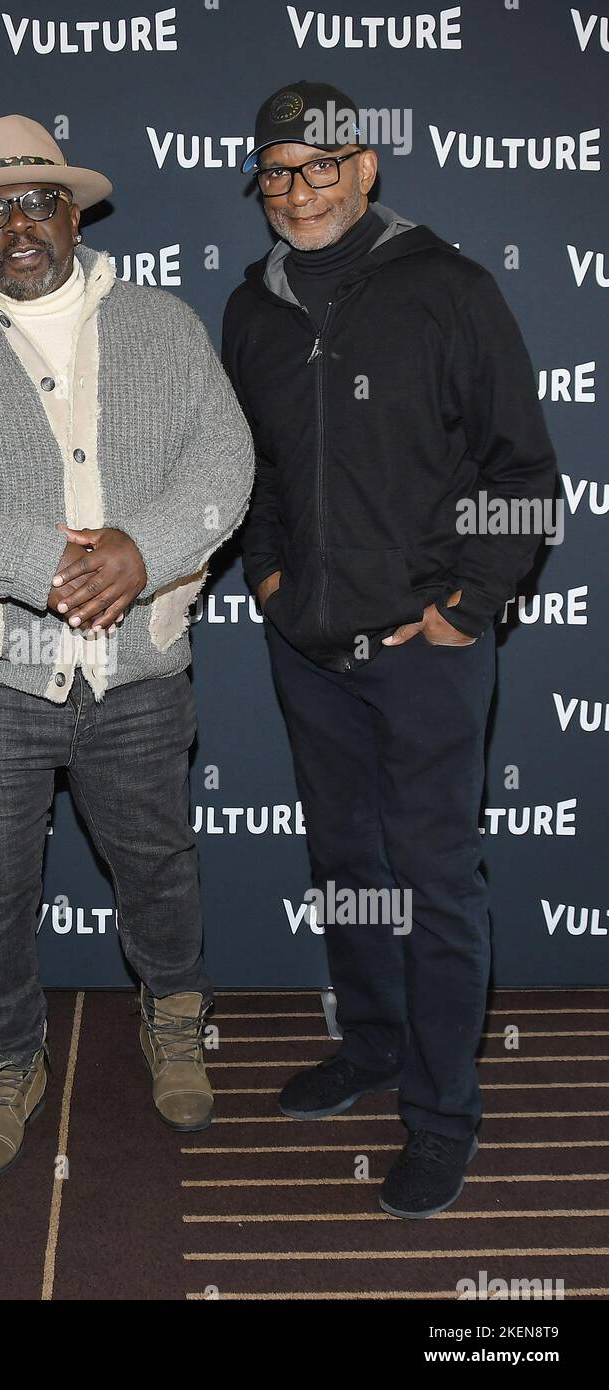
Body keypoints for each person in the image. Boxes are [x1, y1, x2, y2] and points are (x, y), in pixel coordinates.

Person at [0, 115, 254, 1181]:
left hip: (137, 664)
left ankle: (173, 1019)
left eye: (35, 203)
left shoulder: (162, 325)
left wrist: (144, 550)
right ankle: (2, 1060)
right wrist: (46, 563)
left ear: (72, 213)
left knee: (158, 868)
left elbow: (224, 457)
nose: (15, 226)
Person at [222, 81, 556, 1217]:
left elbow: (524, 476)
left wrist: (465, 607)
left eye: (319, 167)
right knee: (351, 874)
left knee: (434, 887)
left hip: (424, 652)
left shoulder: (447, 289)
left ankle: (441, 1109)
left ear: (364, 169)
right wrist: (269, 578)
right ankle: (368, 1044)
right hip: (308, 650)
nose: (298, 190)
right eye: (277, 173)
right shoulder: (251, 310)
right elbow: (253, 474)